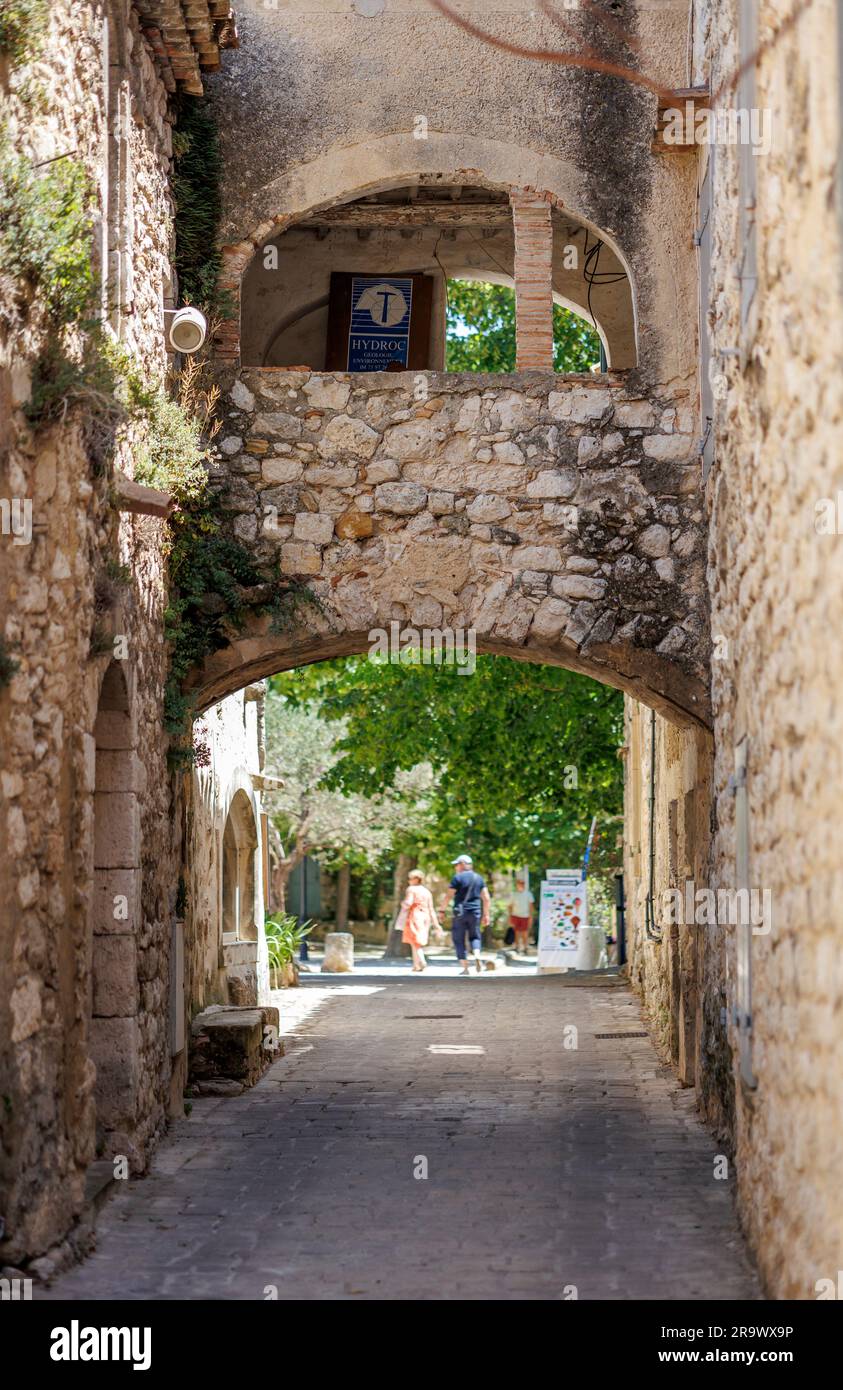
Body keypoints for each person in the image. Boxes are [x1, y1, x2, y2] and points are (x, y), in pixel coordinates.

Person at [444, 854, 491, 976]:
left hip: (460, 912)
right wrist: (486, 915)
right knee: (475, 936)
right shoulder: (479, 878)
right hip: (475, 912)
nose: (456, 867)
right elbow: (486, 898)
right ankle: (477, 955)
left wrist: (441, 910)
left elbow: (449, 895)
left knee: (458, 939)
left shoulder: (457, 878)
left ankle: (465, 968)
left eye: (457, 865)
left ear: (463, 864)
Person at [396, 869, 440, 972]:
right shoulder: (427, 891)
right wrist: (436, 924)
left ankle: (422, 961)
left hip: (415, 916)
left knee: (415, 941)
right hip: (426, 917)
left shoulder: (411, 889)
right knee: (416, 941)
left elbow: (408, 903)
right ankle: (416, 965)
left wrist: (402, 903)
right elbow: (431, 909)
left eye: (410, 878)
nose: (409, 881)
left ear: (416, 879)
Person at [508, 875, 534, 955]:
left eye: (522, 883)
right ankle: (517, 947)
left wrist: (530, 916)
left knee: (525, 932)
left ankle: (525, 947)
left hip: (525, 916)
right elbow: (510, 905)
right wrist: (510, 916)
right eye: (519, 883)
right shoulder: (514, 894)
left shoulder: (528, 894)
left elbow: (531, 906)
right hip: (515, 915)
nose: (520, 885)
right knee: (516, 932)